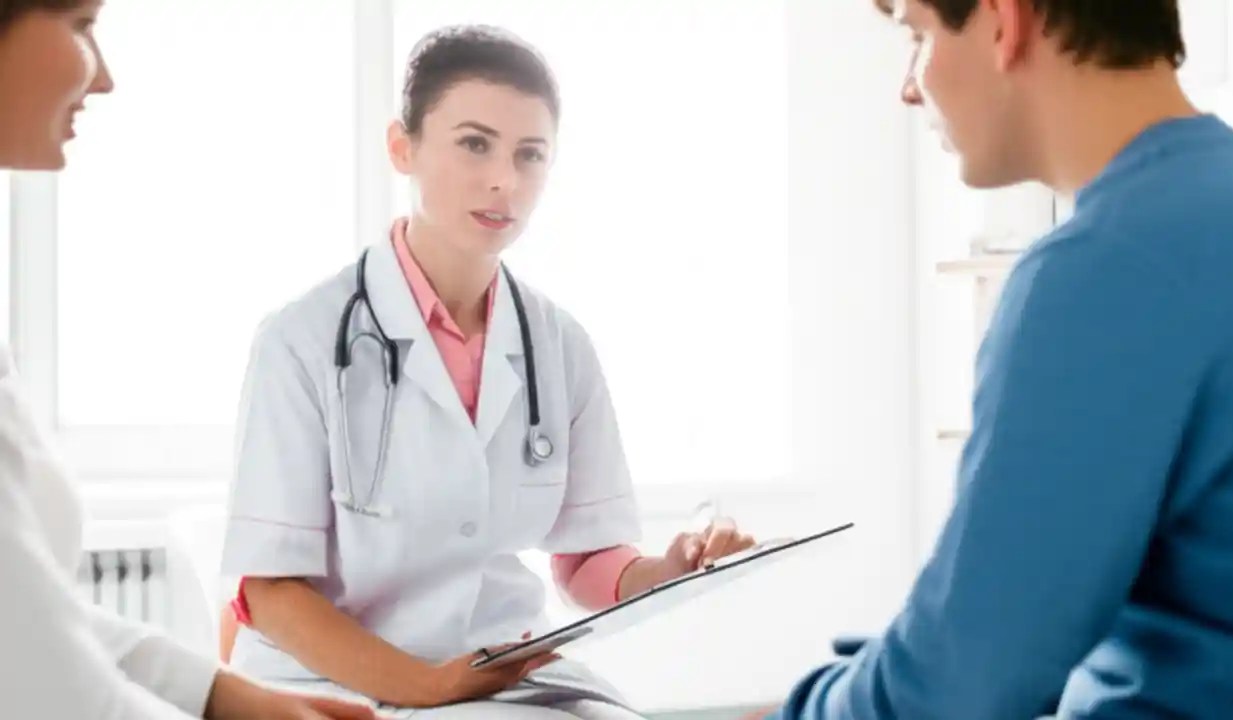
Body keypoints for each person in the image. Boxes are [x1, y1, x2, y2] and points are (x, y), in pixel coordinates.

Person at [752, 0, 1233, 718]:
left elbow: (960, 687)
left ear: (1005, 21)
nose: (910, 85)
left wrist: (804, 709)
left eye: (919, 35)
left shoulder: (1106, 267)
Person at [220, 25, 757, 719]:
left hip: (494, 672)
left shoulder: (559, 345)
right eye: (475, 144)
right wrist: (427, 686)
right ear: (401, 148)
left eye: (530, 155)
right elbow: (269, 592)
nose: (505, 179)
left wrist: (667, 572)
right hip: (327, 682)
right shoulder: (302, 339)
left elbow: (585, 562)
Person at [0, 1, 382, 717]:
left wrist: (231, 700)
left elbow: (29, 624)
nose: (104, 78)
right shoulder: (295, 338)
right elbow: (43, 680)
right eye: (81, 26)